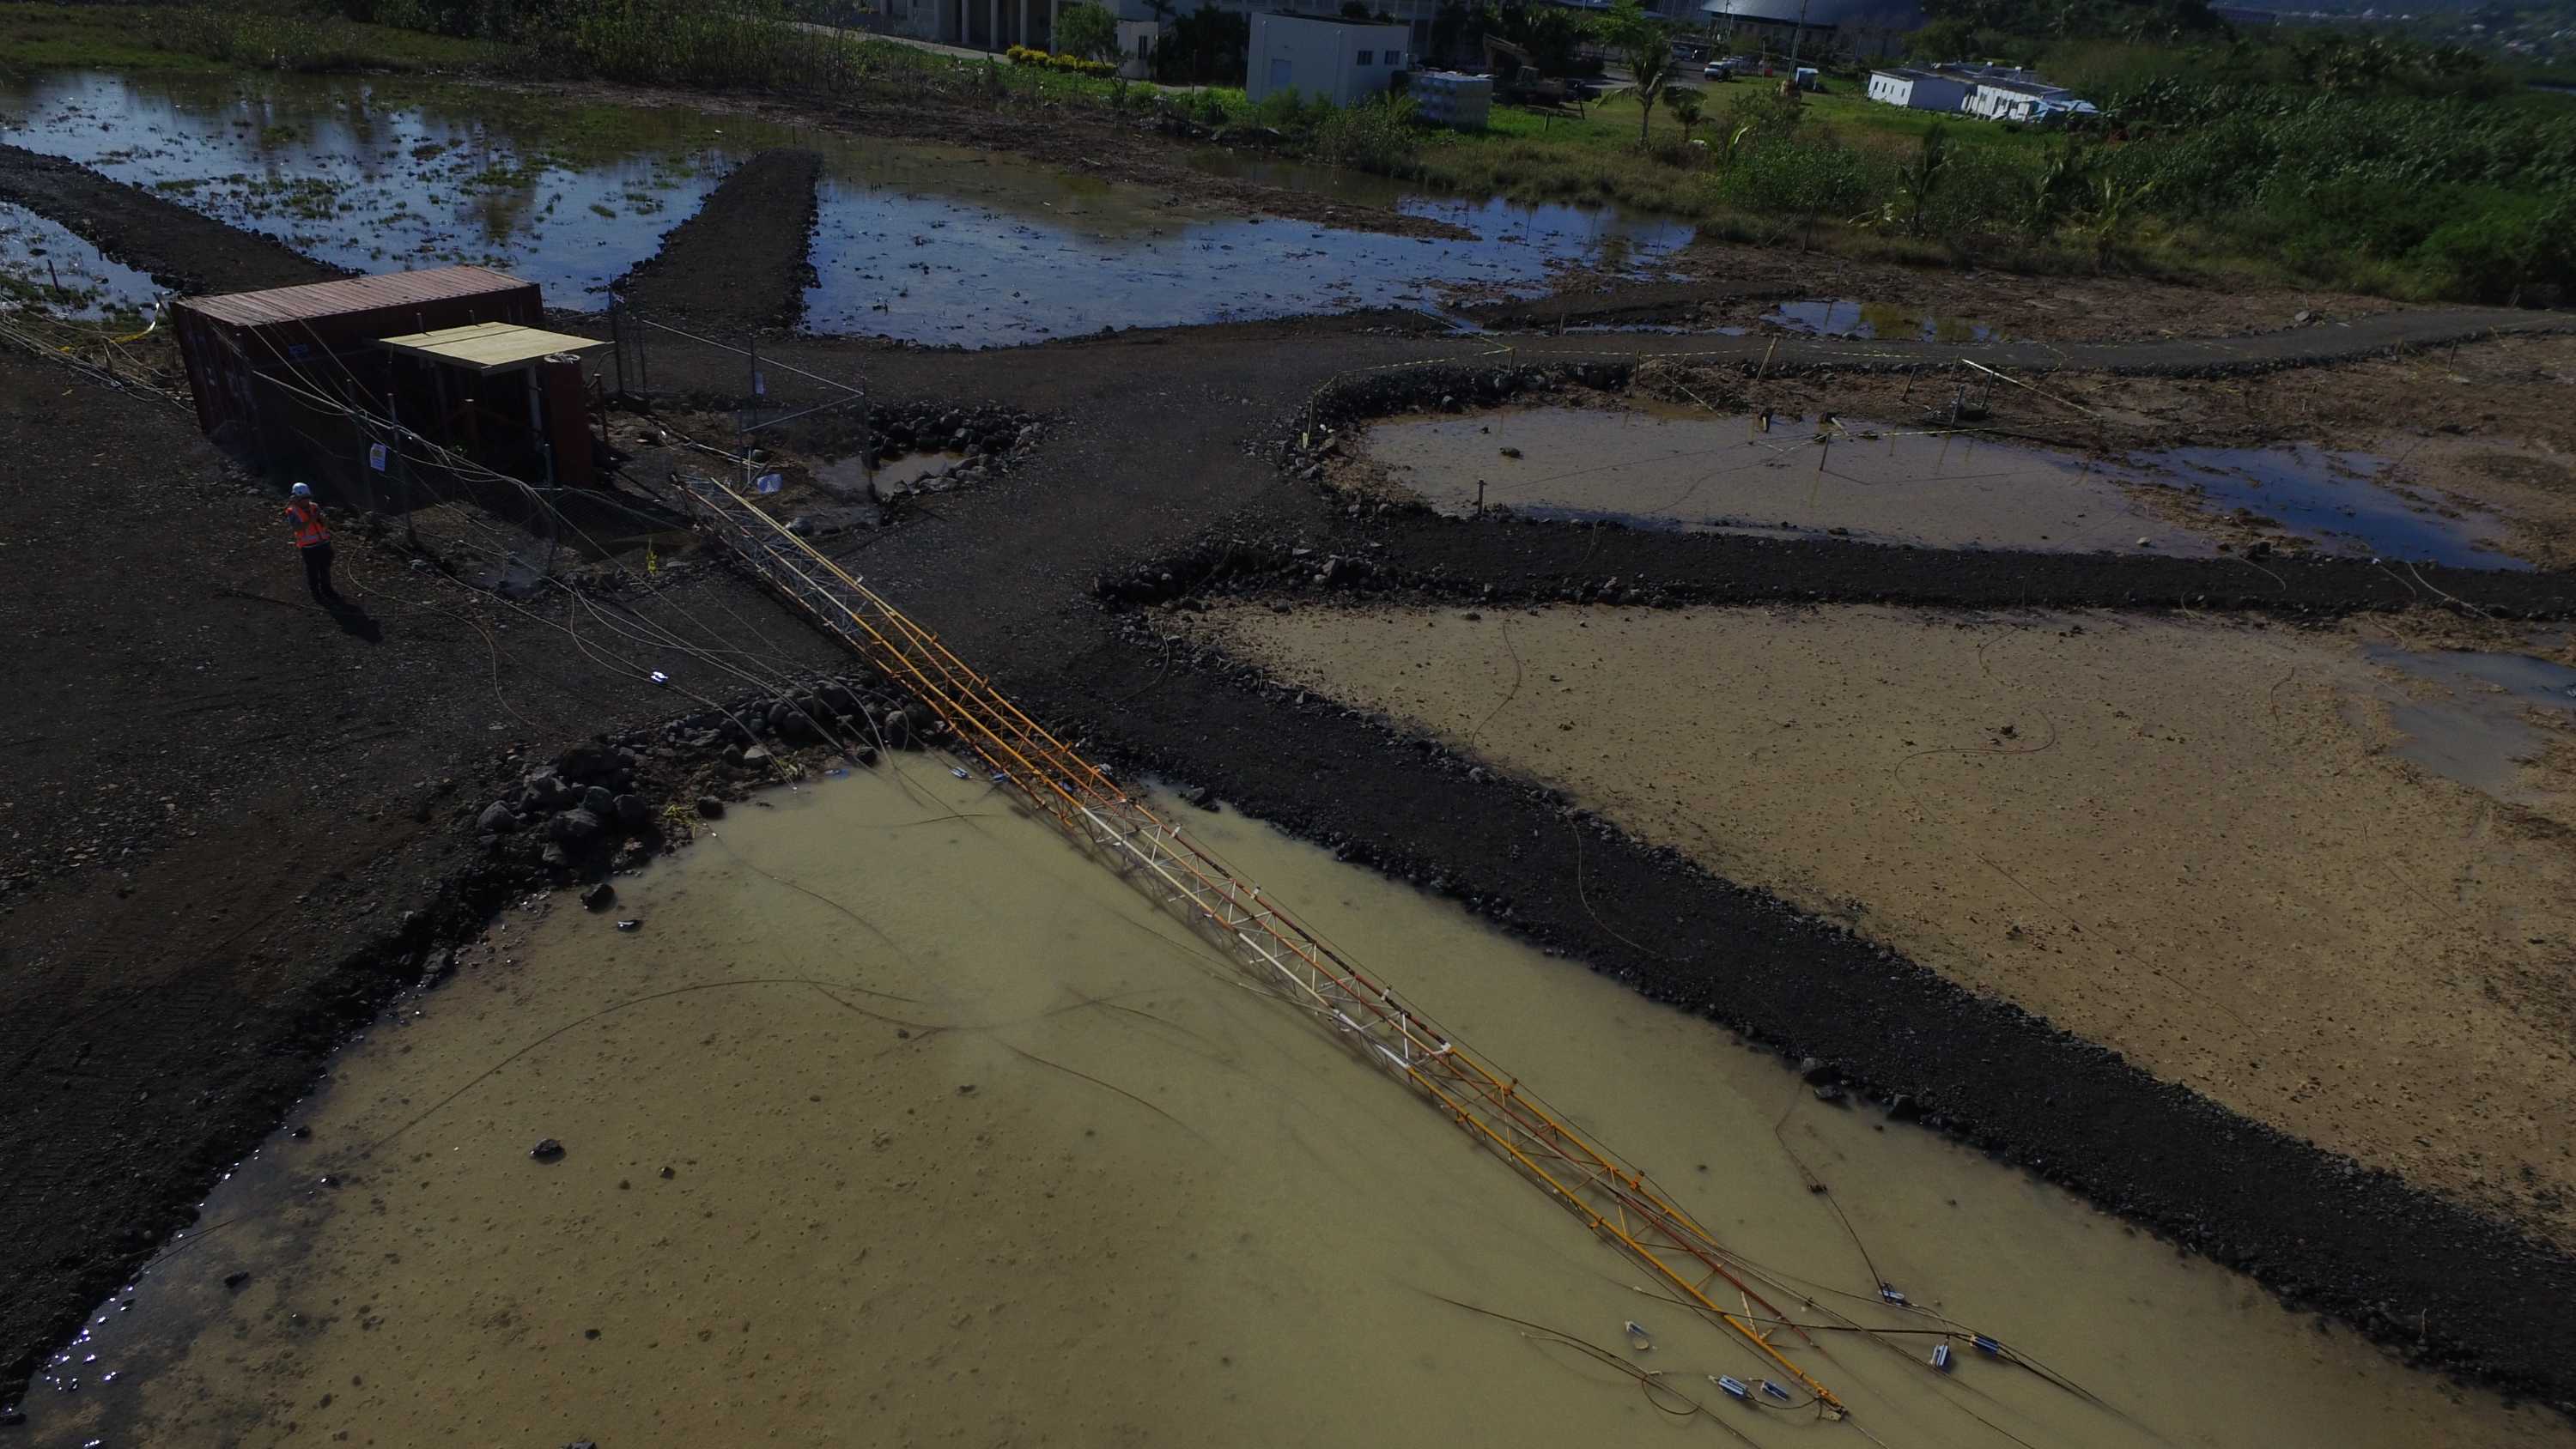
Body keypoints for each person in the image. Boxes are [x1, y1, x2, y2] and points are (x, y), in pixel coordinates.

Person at [284, 482, 343, 607]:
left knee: (325, 569)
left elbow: (324, 525)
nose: (306, 501)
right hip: (309, 547)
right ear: (296, 498)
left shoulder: (314, 507)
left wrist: (321, 518)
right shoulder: (292, 511)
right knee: (312, 571)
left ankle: (327, 590)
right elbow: (298, 528)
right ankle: (316, 593)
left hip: (323, 543)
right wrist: (312, 518)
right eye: (303, 499)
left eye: (308, 498)